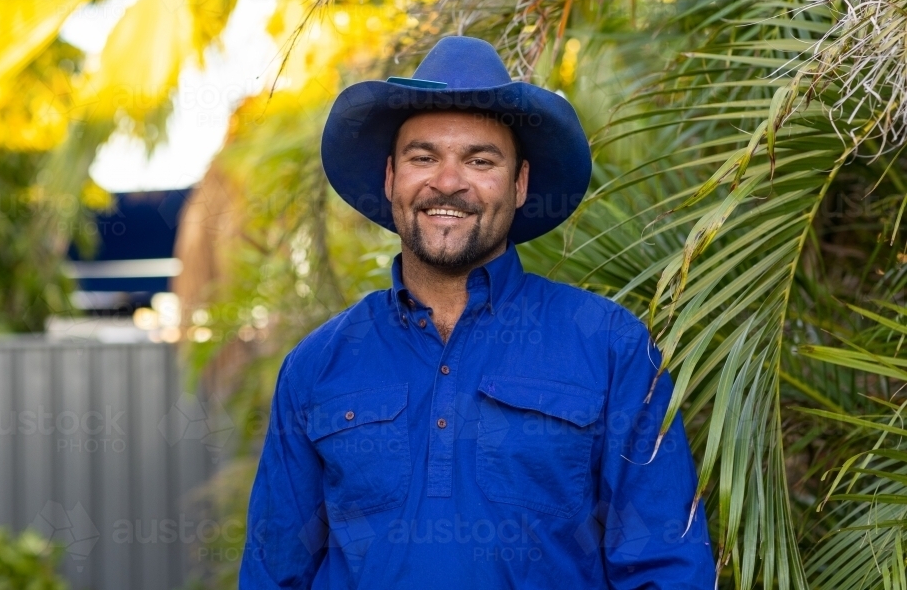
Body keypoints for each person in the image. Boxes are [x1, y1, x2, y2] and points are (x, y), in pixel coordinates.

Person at [239, 35, 715, 588]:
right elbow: (274, 573)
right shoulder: (317, 366)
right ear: (391, 178)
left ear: (519, 185)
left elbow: (666, 566)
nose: (447, 181)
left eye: (480, 160)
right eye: (423, 157)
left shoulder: (609, 348)